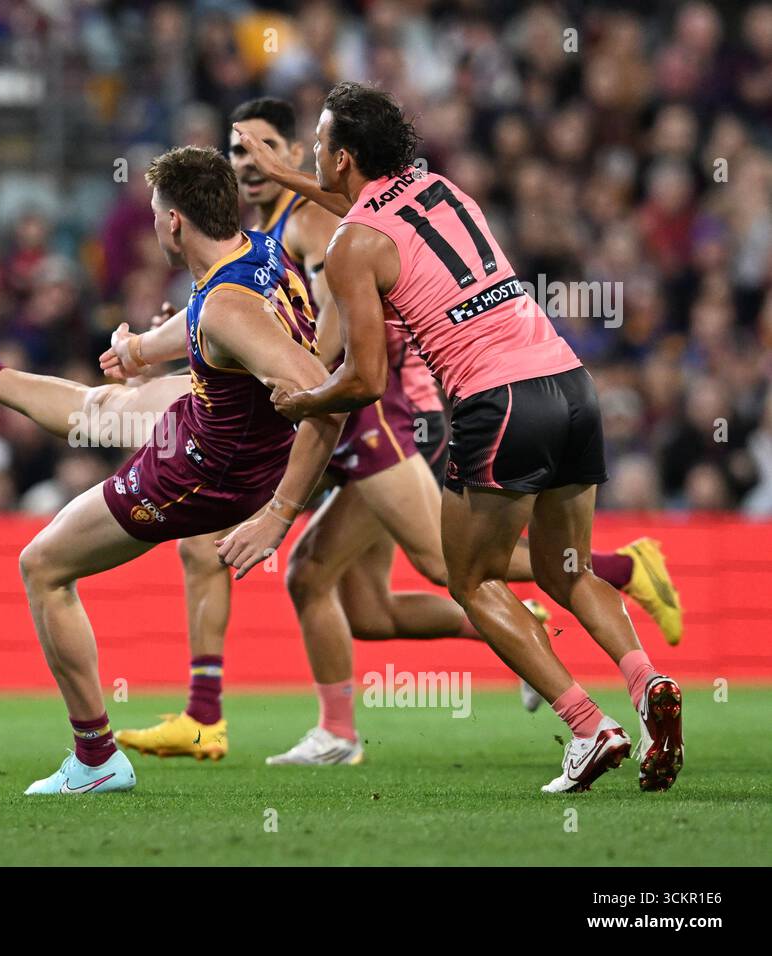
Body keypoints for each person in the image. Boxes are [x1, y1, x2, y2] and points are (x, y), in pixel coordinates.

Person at [0, 146, 344, 795]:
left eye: (156, 213)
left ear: (175, 222)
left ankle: (96, 760)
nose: (153, 226)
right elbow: (209, 325)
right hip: (227, 423)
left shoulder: (226, 306)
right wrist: (140, 349)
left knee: (42, 566)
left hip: (210, 472)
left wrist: (279, 515)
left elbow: (325, 394)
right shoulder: (259, 251)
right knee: (99, 409)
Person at [268, 81, 683, 793]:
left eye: (317, 146)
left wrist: (300, 400)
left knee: (470, 579)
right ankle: (646, 686)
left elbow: (364, 379)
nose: (313, 154)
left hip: (496, 401)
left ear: (342, 158)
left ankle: (589, 727)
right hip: (571, 385)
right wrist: (284, 177)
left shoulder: (347, 248)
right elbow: (370, 215)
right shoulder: (442, 189)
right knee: (566, 567)